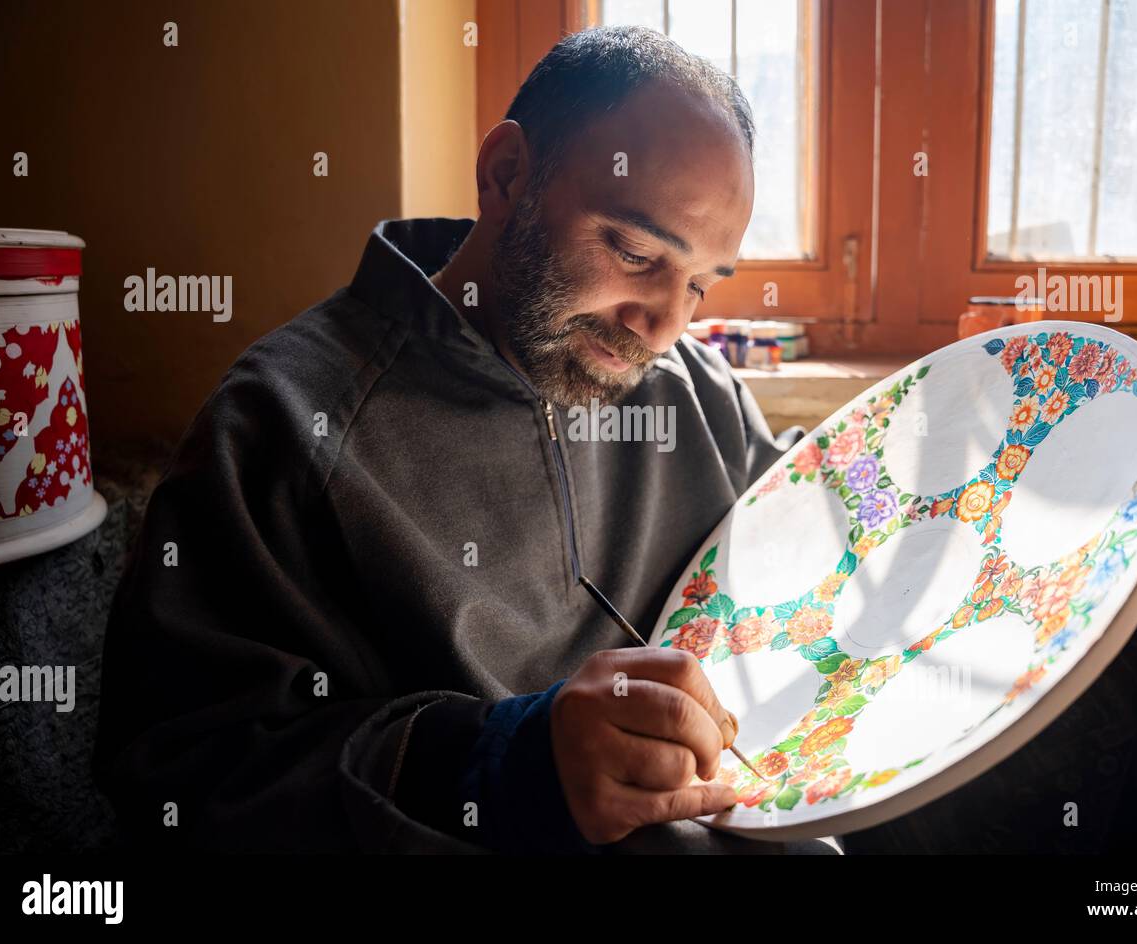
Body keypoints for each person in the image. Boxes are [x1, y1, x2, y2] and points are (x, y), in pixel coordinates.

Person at [95, 25, 836, 854]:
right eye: (633, 251)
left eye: (699, 284)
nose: (664, 326)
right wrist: (503, 762)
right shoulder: (285, 423)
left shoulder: (695, 393)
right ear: (508, 174)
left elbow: (807, 545)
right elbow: (183, 778)